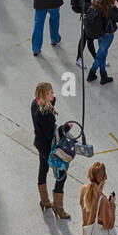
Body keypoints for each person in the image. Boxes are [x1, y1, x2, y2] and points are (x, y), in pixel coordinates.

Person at [32, 83, 72, 219]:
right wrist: (65, 127)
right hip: (48, 146)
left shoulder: (35, 103)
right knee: (61, 174)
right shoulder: (46, 114)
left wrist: (50, 100)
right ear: (44, 95)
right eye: (50, 93)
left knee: (43, 168)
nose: (53, 95)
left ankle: (44, 200)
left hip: (39, 143)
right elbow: (53, 134)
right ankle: (58, 207)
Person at [80, 161, 117, 235]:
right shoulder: (103, 200)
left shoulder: (84, 190)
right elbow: (109, 224)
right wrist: (112, 205)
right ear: (103, 179)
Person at [85, 0, 118, 84]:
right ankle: (92, 73)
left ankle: (103, 74)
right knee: (100, 54)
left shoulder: (96, 3)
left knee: (103, 53)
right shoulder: (109, 8)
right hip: (108, 34)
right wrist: (114, 6)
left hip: (100, 32)